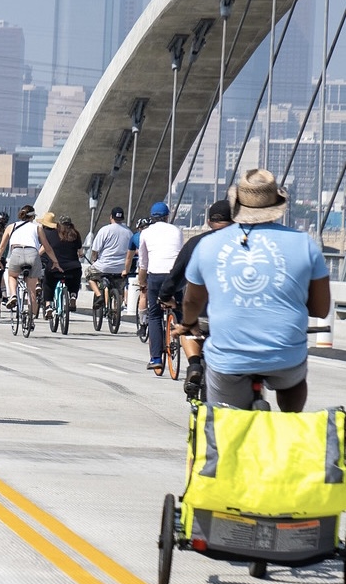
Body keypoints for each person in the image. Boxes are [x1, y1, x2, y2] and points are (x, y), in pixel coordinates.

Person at [181, 171, 331, 410]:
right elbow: (321, 309)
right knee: (293, 382)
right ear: (277, 205)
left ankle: (228, 443)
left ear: (237, 205)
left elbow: (192, 302)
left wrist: (188, 323)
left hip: (228, 358)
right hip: (285, 356)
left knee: (226, 424)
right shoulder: (305, 244)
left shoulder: (208, 244)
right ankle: (289, 426)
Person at [161, 199, 233, 395]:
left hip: (203, 313)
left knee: (189, 331)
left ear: (209, 221)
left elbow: (176, 274)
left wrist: (165, 295)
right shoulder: (246, 242)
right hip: (238, 315)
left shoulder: (196, 243)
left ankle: (194, 365)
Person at [137, 201, 185, 373]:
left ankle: (156, 358)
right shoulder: (177, 231)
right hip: (176, 276)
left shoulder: (146, 233)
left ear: (152, 217)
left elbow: (143, 263)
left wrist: (142, 283)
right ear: (167, 217)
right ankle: (184, 341)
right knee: (179, 308)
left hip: (156, 276)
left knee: (155, 316)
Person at [87, 207, 134, 317]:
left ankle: (99, 295)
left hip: (103, 266)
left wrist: (94, 260)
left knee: (89, 275)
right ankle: (116, 308)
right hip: (121, 268)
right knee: (119, 288)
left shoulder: (105, 230)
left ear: (111, 217)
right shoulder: (129, 232)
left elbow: (95, 250)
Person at [39, 214, 84, 321]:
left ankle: (48, 306)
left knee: (48, 284)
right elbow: (80, 251)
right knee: (75, 279)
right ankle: (73, 296)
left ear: (58, 224)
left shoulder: (51, 234)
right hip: (73, 267)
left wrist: (36, 256)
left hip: (55, 267)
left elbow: (43, 250)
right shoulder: (75, 234)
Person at [1, 204, 41, 320]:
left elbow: (2, 247)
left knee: (12, 276)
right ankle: (31, 319)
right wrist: (55, 261)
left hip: (16, 253)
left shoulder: (11, 226)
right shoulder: (37, 228)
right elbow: (46, 246)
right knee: (32, 290)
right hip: (33, 254)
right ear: (32, 217)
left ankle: (13, 295)